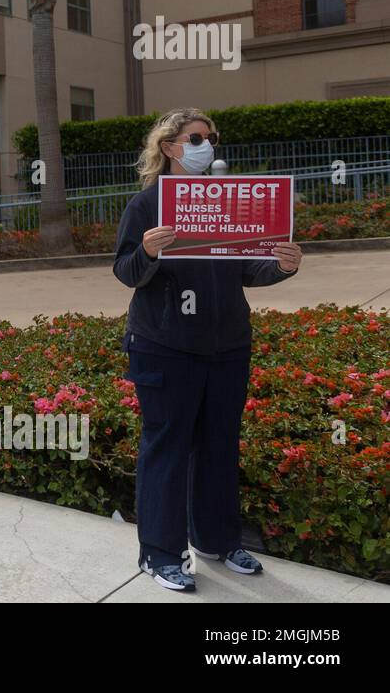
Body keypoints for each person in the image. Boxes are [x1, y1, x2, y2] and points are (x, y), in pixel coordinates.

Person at [113, 108, 303, 593]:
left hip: (227, 346)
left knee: (219, 446)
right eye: (196, 137)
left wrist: (282, 265)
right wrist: (149, 252)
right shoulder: (146, 205)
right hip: (165, 347)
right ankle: (160, 554)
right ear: (170, 147)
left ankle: (218, 541)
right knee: (168, 449)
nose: (206, 145)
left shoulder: (228, 202)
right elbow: (127, 272)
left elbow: (247, 270)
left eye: (211, 137)